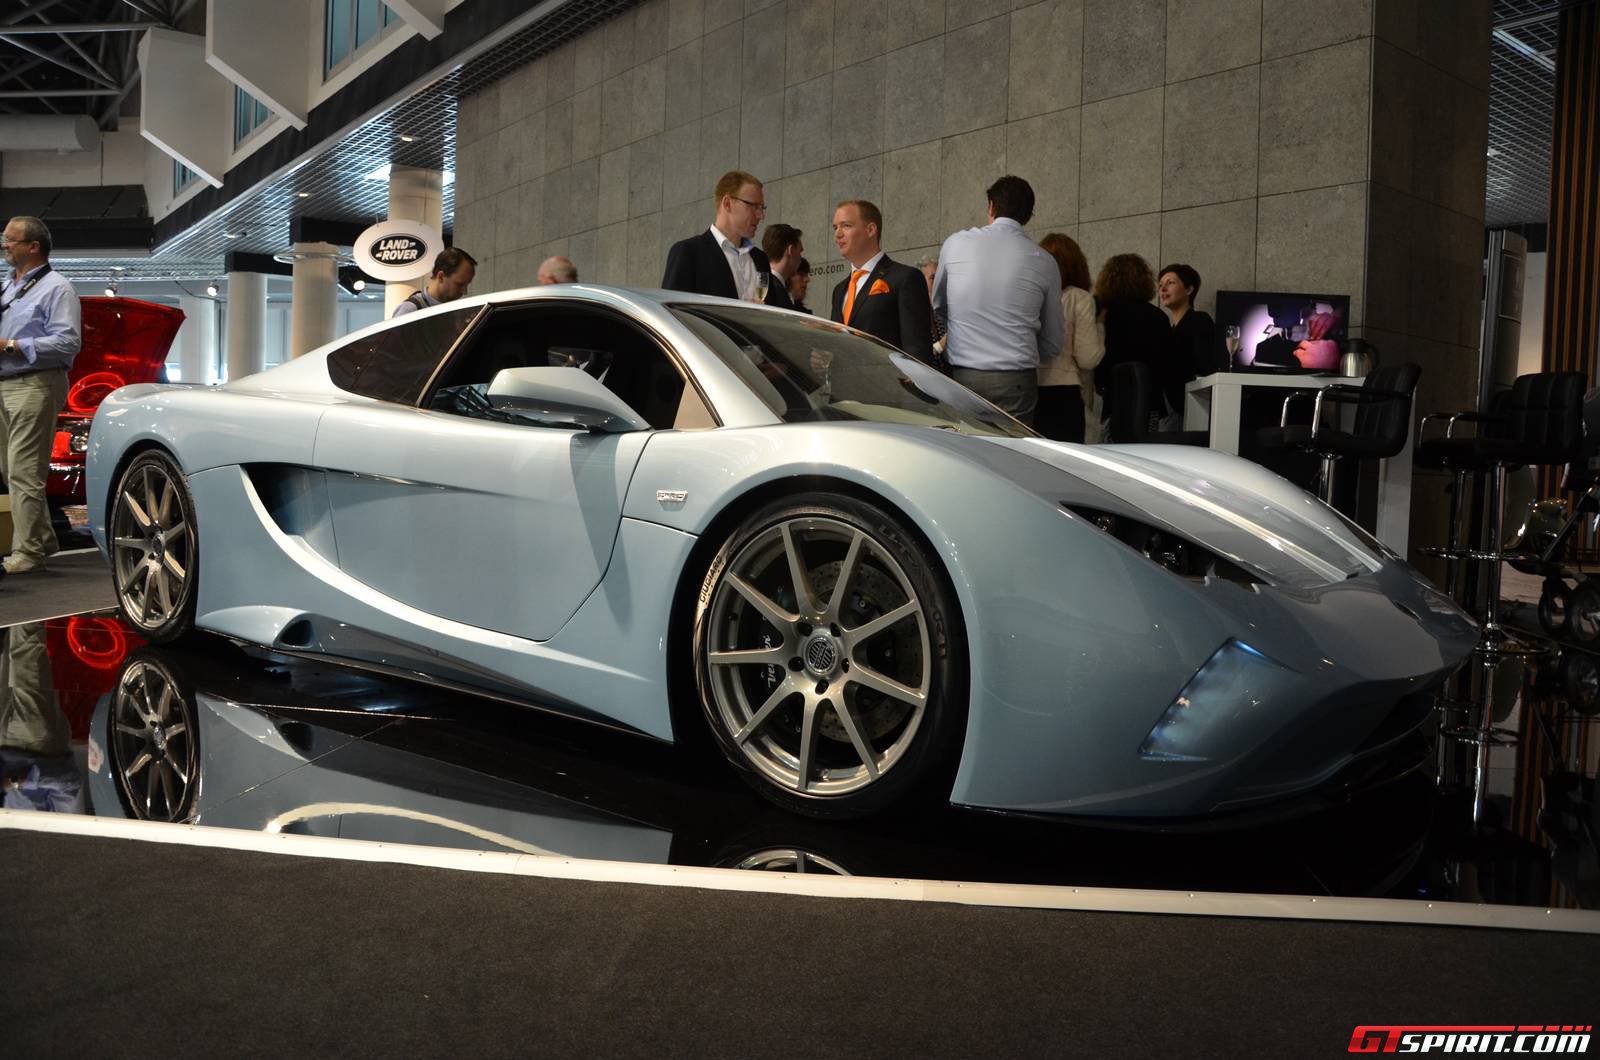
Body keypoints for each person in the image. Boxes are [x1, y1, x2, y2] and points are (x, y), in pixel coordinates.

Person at [932, 175, 1063, 424]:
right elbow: (1053, 342)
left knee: (965, 447)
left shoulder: (955, 243)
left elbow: (939, 304)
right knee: (1010, 448)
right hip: (1016, 380)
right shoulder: (1045, 261)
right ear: (1028, 215)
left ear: (991, 206)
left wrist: (966, 329)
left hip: (964, 377)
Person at [0, 216, 82, 575]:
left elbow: (68, 342)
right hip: (6, 384)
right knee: (10, 470)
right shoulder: (8, 285)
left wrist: (12, 345)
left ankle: (28, 552)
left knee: (24, 471)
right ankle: (44, 540)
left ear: (33, 247)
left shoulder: (57, 288)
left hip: (35, 383)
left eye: (11, 240)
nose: (4, 245)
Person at [828, 200, 932, 363]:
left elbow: (917, 352)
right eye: (835, 227)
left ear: (870, 230)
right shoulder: (839, 290)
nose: (837, 234)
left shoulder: (905, 278)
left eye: (846, 226)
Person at [661, 169, 778, 303]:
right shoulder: (689, 253)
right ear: (727, 204)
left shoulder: (760, 259)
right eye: (754, 206)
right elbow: (671, 310)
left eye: (762, 207)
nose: (761, 216)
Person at [1093, 253, 1172, 439]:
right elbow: (1166, 364)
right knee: (1145, 451)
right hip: (1150, 402)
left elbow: (1100, 356)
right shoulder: (1158, 316)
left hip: (1115, 398)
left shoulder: (1105, 313)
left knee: (1112, 449)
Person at [1036, 234, 1103, 443]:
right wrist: (1100, 328)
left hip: (1028, 388)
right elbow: (1088, 358)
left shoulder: (1031, 295)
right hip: (1064, 392)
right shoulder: (1079, 297)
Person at [1158, 263, 1219, 385]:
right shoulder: (1169, 330)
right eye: (1160, 285)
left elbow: (1206, 368)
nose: (1163, 289)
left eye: (1170, 283)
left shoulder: (1200, 321)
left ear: (1189, 290)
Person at [392, 247, 477, 317]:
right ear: (441, 276)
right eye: (460, 284)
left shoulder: (457, 313)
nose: (464, 291)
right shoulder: (409, 310)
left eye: (467, 285)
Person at [759, 223, 804, 309]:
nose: (800, 258)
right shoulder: (775, 291)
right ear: (791, 250)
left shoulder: (761, 285)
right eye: (800, 251)